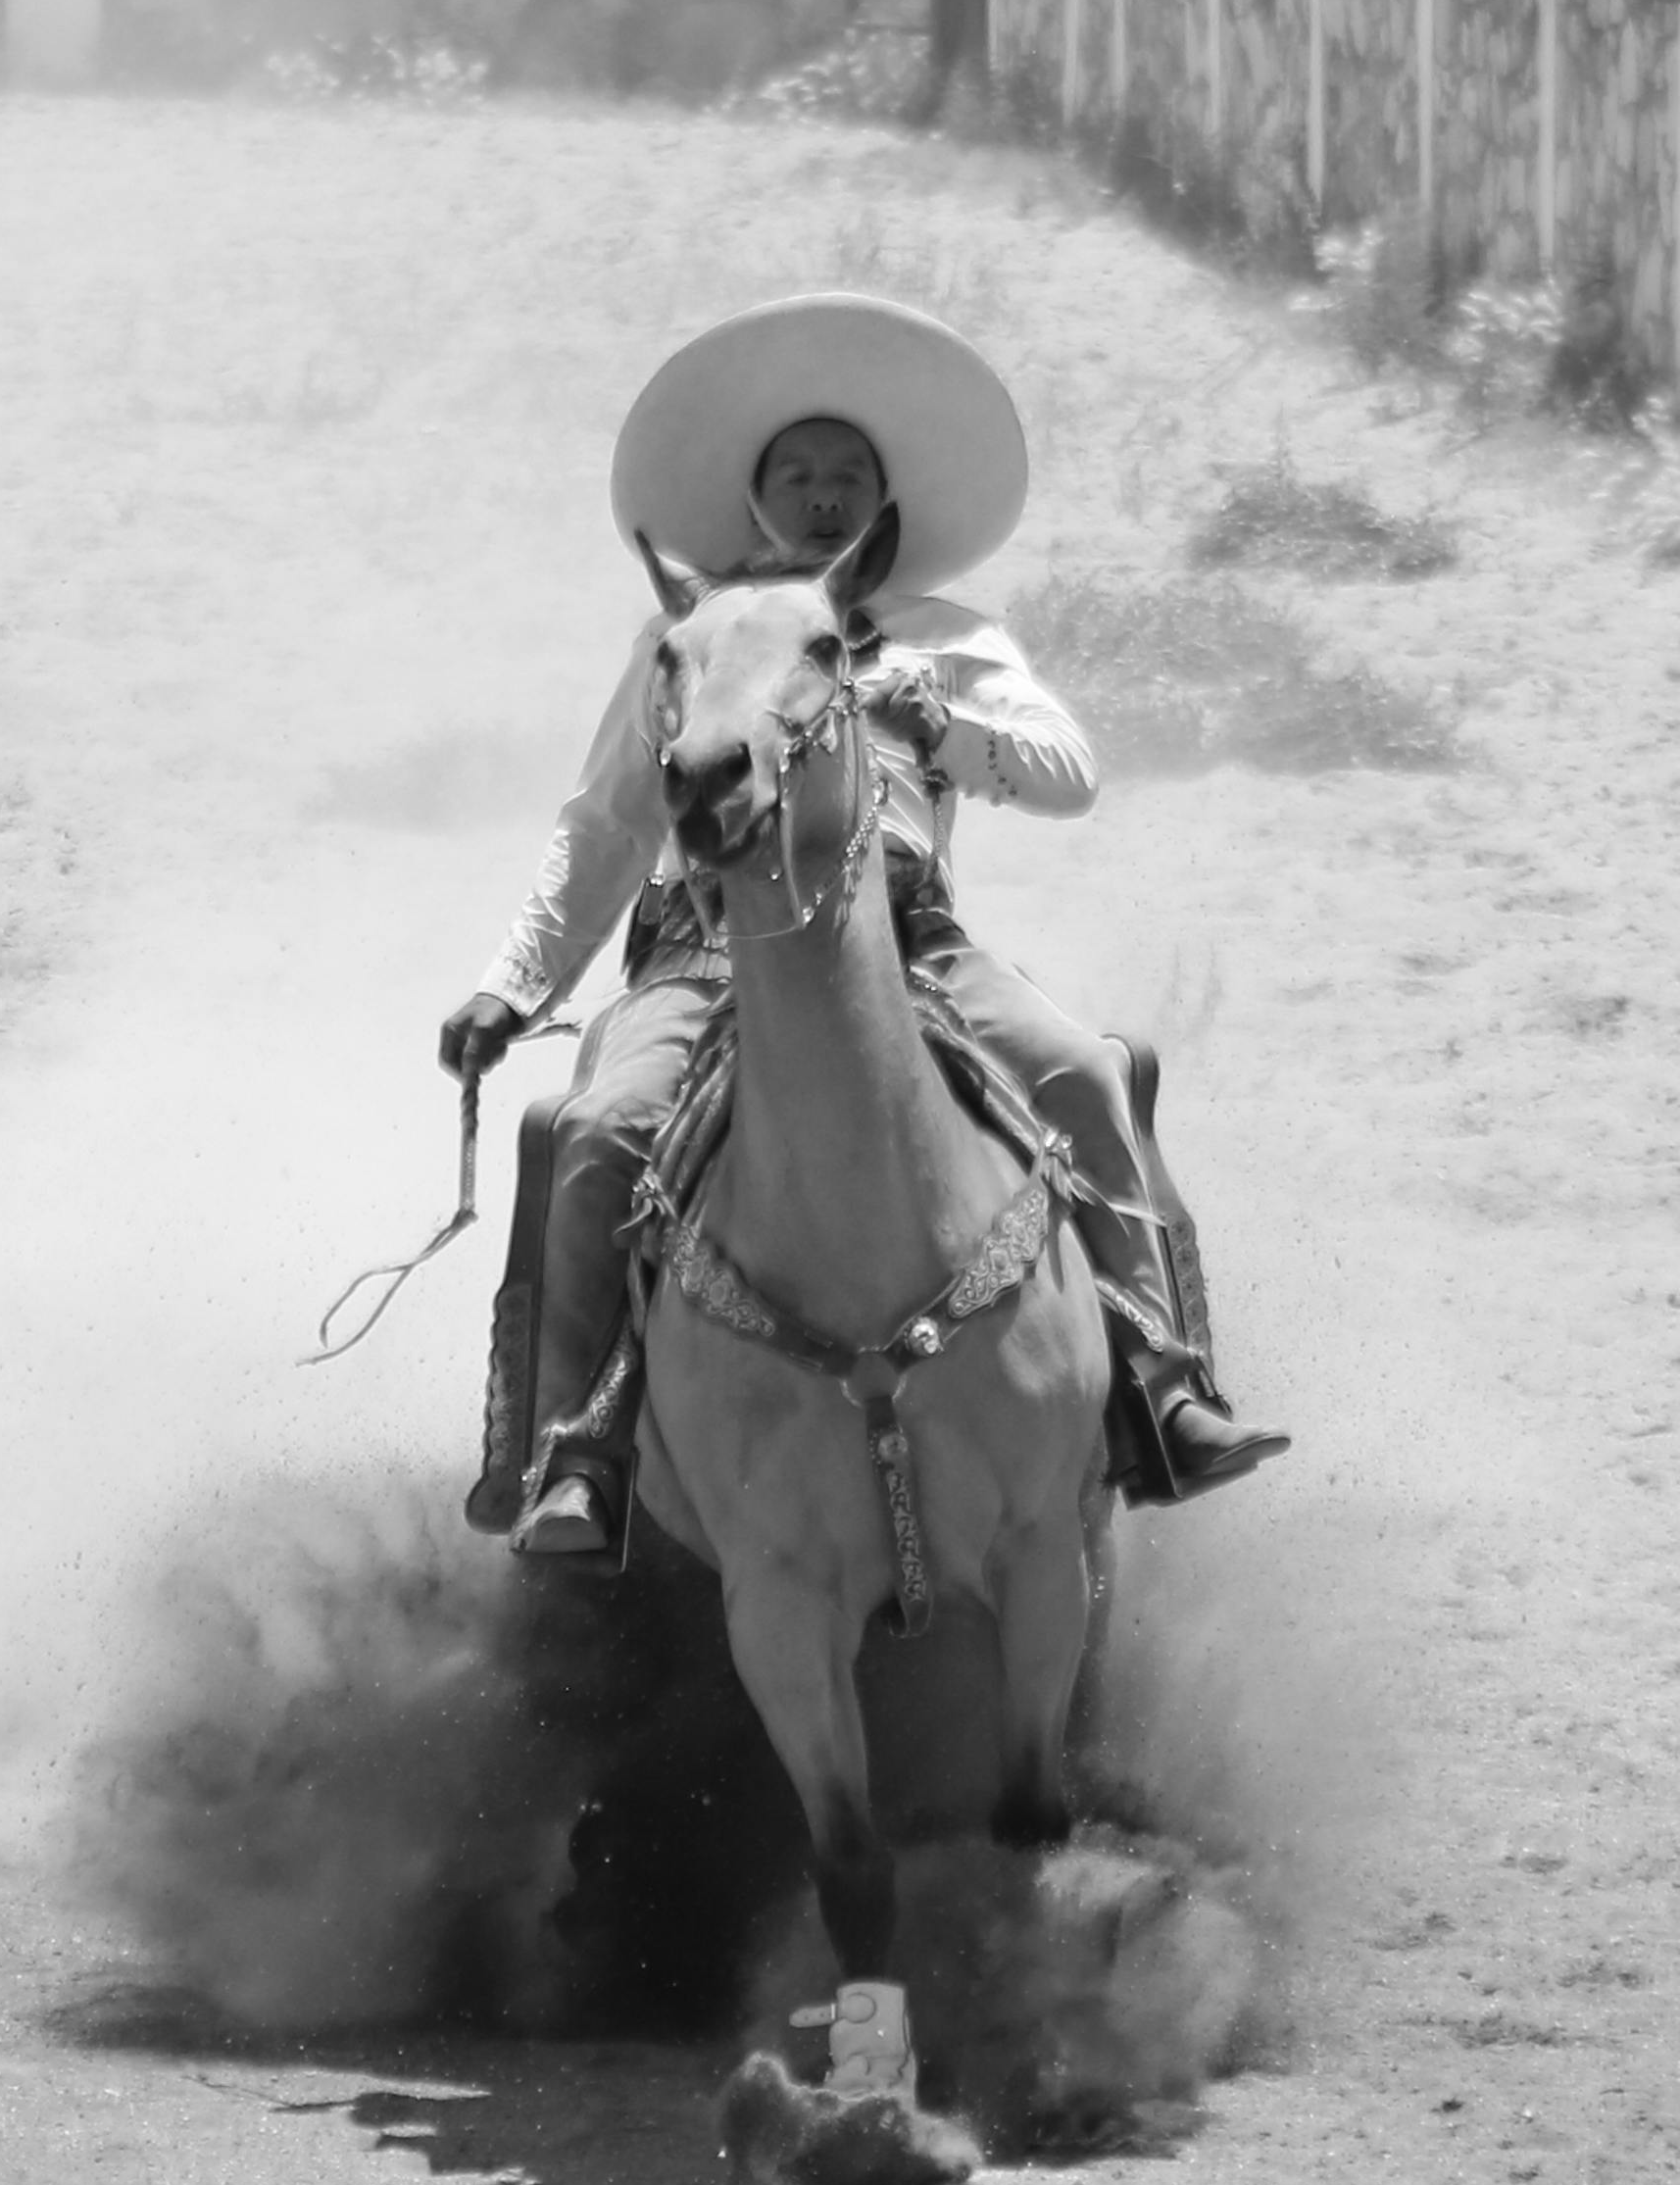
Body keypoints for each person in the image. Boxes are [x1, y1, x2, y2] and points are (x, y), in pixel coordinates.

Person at [439, 293, 1288, 1564]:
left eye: (848, 473)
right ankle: (581, 1448)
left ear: (881, 498)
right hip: (704, 951)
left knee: (1081, 1074)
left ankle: (1160, 1387)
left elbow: (1068, 771)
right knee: (600, 1130)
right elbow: (610, 822)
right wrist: (515, 984)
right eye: (799, 471)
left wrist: (928, 718)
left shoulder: (951, 637)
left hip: (908, 946)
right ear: (759, 494)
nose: (824, 491)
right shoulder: (690, 633)